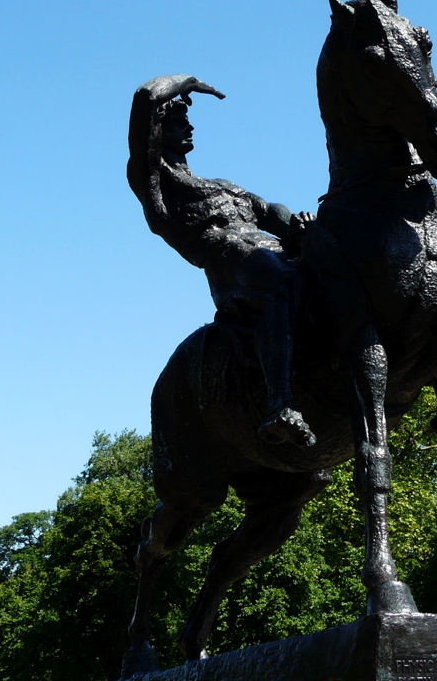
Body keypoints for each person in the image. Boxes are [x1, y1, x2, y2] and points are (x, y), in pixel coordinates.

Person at [127, 75, 315, 447]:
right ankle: (279, 404)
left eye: (186, 119)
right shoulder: (156, 183)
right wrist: (188, 83)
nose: (190, 126)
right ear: (158, 131)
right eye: (179, 121)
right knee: (279, 280)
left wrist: (300, 225)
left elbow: (269, 212)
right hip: (233, 268)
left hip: (271, 251)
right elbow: (147, 97)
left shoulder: (225, 185)